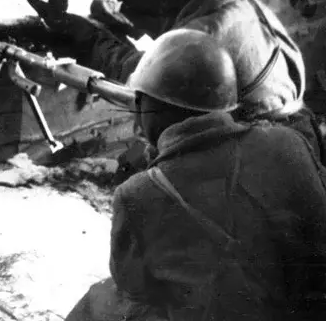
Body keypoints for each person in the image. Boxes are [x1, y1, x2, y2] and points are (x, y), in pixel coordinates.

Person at [66, 29, 326, 321]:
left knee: (99, 302)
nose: (137, 120)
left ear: (154, 108)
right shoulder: (288, 143)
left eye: (140, 103)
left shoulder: (139, 194)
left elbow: (133, 286)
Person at [52, 0, 321, 161]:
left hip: (261, 152)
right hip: (297, 137)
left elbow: (144, 79)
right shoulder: (243, 4)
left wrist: (89, 38)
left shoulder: (204, 33)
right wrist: (131, 3)